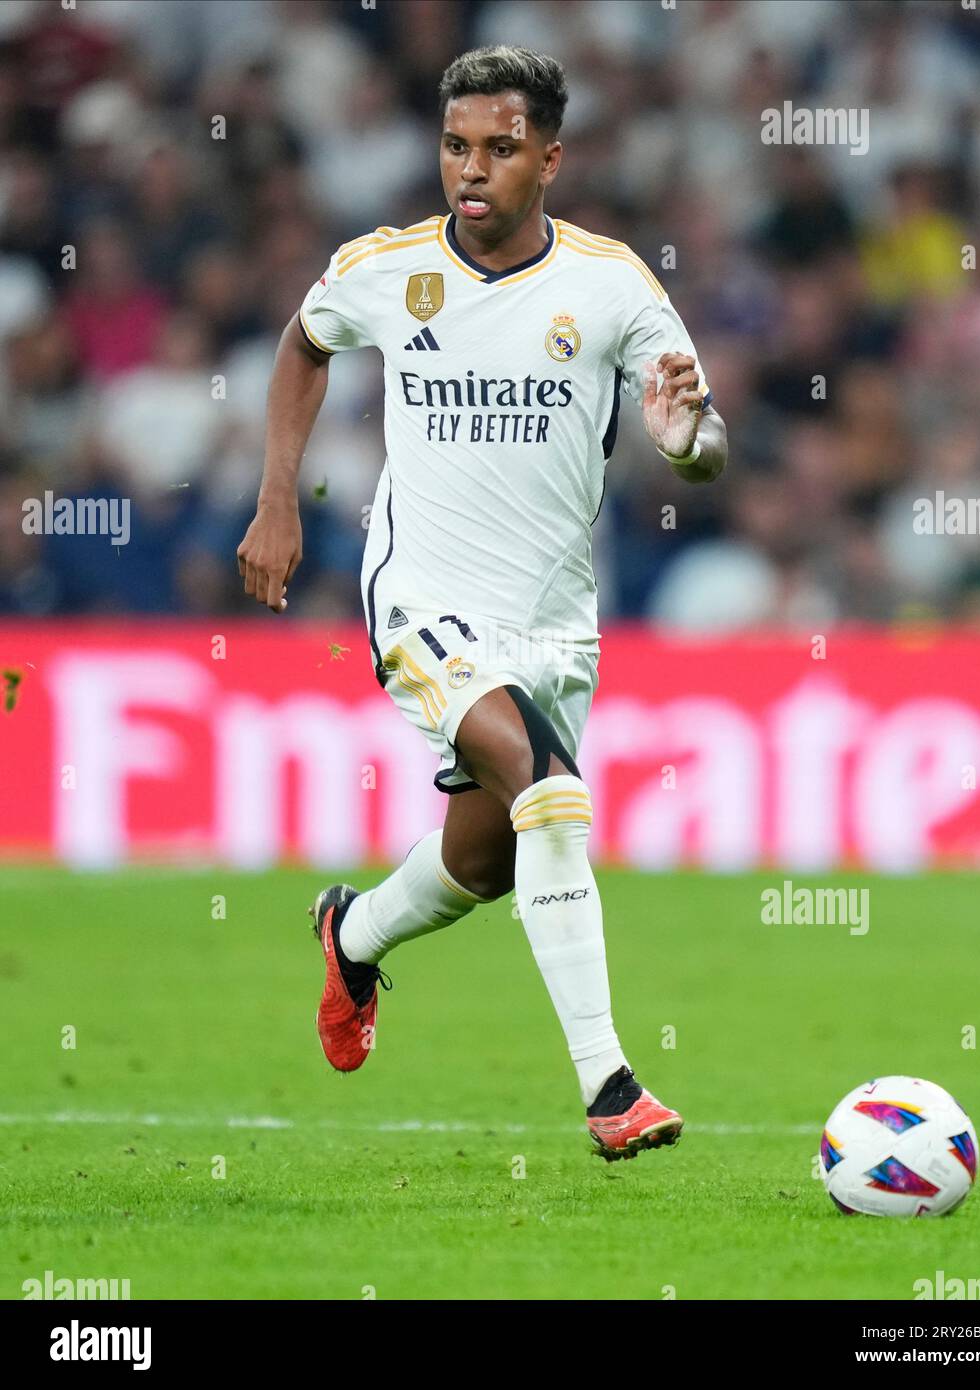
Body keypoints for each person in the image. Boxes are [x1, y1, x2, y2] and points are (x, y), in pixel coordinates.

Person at [237, 45, 727, 1161]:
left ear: (549, 158)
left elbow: (704, 444)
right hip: (423, 596)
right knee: (549, 789)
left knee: (490, 856)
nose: (473, 169)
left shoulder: (610, 285)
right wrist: (277, 498)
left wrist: (685, 439)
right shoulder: (383, 267)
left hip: (554, 621)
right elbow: (302, 346)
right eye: (457, 146)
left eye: (501, 150)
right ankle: (609, 1086)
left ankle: (350, 932)